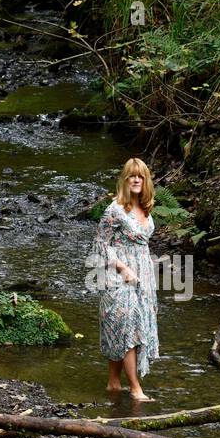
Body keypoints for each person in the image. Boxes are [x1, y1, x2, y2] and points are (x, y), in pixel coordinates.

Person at [89, 157, 159, 400]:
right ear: (125, 180)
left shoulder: (146, 209)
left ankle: (113, 384)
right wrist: (123, 268)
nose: (136, 179)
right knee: (127, 328)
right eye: (131, 175)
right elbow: (99, 245)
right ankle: (135, 388)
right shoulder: (115, 209)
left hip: (143, 277)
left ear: (146, 180)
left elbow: (143, 246)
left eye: (141, 175)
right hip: (116, 276)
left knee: (121, 329)